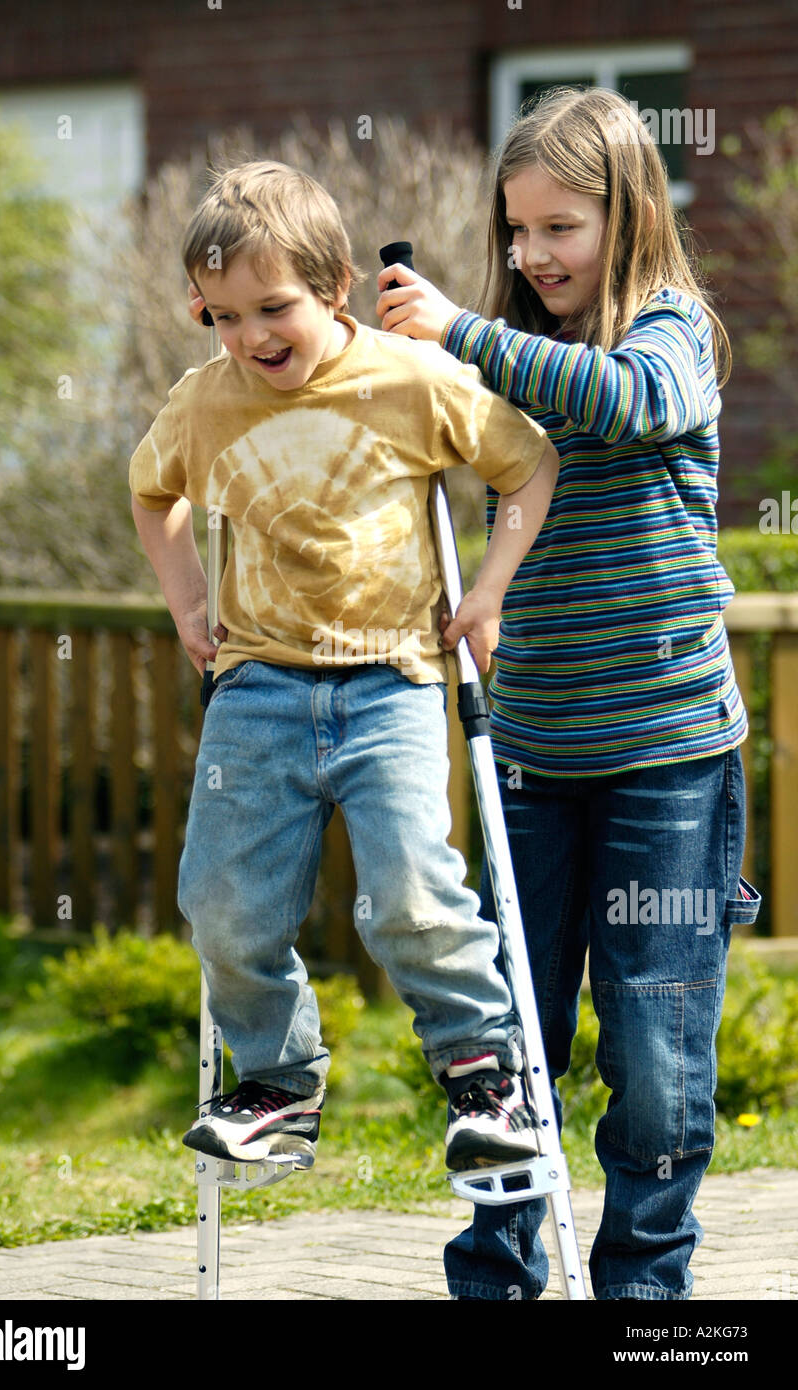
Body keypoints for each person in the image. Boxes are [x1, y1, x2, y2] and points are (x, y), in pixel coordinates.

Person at [377, 86, 761, 1301]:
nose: (532, 255)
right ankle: (494, 1269)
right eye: (517, 231)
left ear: (629, 211)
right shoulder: (496, 358)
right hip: (532, 752)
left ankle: (645, 1290)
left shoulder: (671, 331)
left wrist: (458, 332)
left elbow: (632, 403)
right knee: (512, 1037)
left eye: (560, 228)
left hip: (664, 754)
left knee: (652, 1042)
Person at [129, 160, 560, 1175]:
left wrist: (490, 588)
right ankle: (279, 1083)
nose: (251, 337)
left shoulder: (413, 381)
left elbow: (529, 462)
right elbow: (155, 494)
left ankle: (483, 1076)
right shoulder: (206, 402)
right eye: (223, 316)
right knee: (222, 905)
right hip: (259, 686)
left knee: (412, 892)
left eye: (273, 308)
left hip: (394, 680)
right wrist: (189, 602)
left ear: (334, 288)